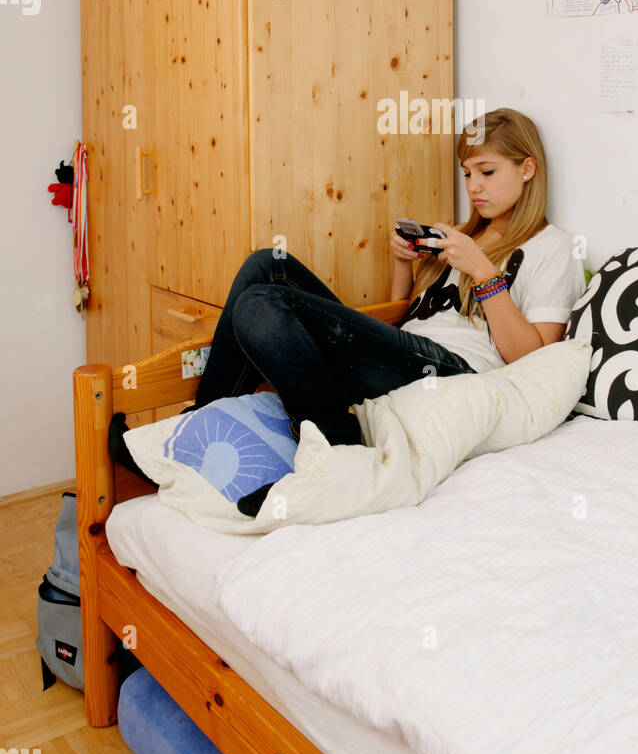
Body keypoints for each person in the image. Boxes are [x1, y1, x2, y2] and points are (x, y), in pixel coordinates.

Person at [109, 107, 584, 515]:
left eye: (487, 172)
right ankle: (202, 426)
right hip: (408, 351)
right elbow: (406, 317)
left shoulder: (552, 247)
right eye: (467, 174)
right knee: (266, 266)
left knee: (260, 303)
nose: (473, 187)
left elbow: (531, 360)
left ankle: (339, 446)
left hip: (452, 369)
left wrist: (485, 273)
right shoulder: (462, 234)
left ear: (527, 168)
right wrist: (403, 263)